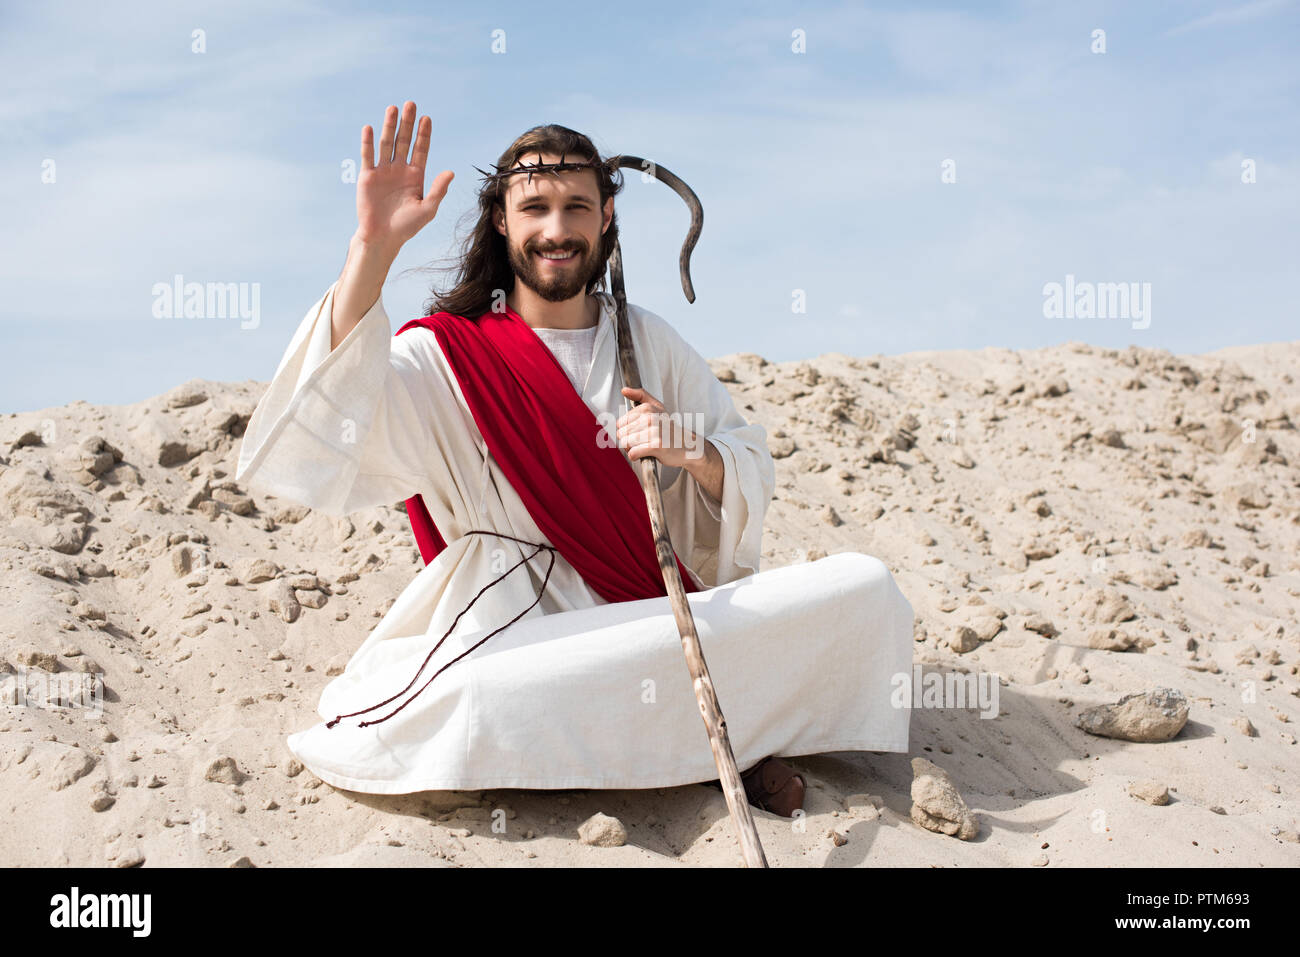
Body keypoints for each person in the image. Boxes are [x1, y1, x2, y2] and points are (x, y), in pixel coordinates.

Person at [235, 102, 914, 818]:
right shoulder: (443, 354)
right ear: (502, 219)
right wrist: (372, 248)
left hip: (651, 617)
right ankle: (728, 732)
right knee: (482, 695)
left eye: (575, 207)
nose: (556, 230)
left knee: (864, 589)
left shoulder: (649, 342)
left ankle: (680, 732)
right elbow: (335, 417)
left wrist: (695, 453)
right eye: (535, 208)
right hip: (523, 635)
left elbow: (745, 460)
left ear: (606, 216)